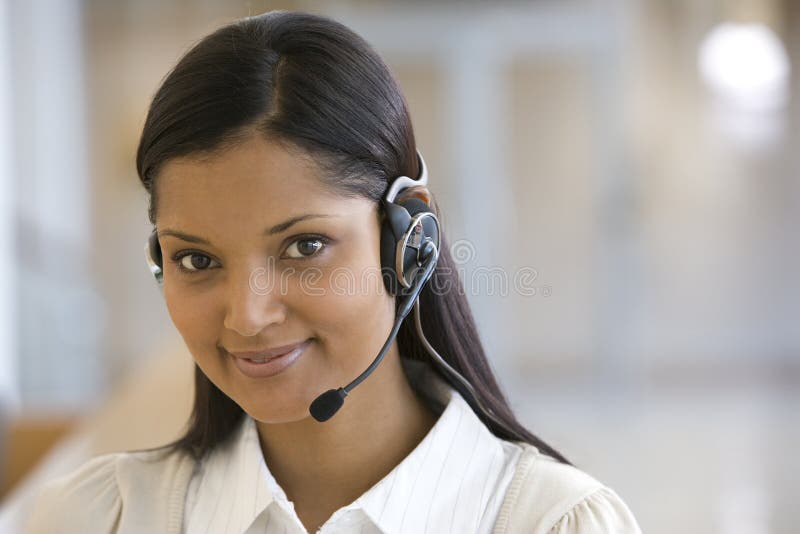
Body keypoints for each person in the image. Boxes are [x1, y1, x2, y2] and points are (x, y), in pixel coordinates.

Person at [25, 10, 642, 534]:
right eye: (197, 259)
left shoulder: (550, 522)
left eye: (304, 247)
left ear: (408, 241)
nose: (248, 315)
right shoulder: (98, 518)